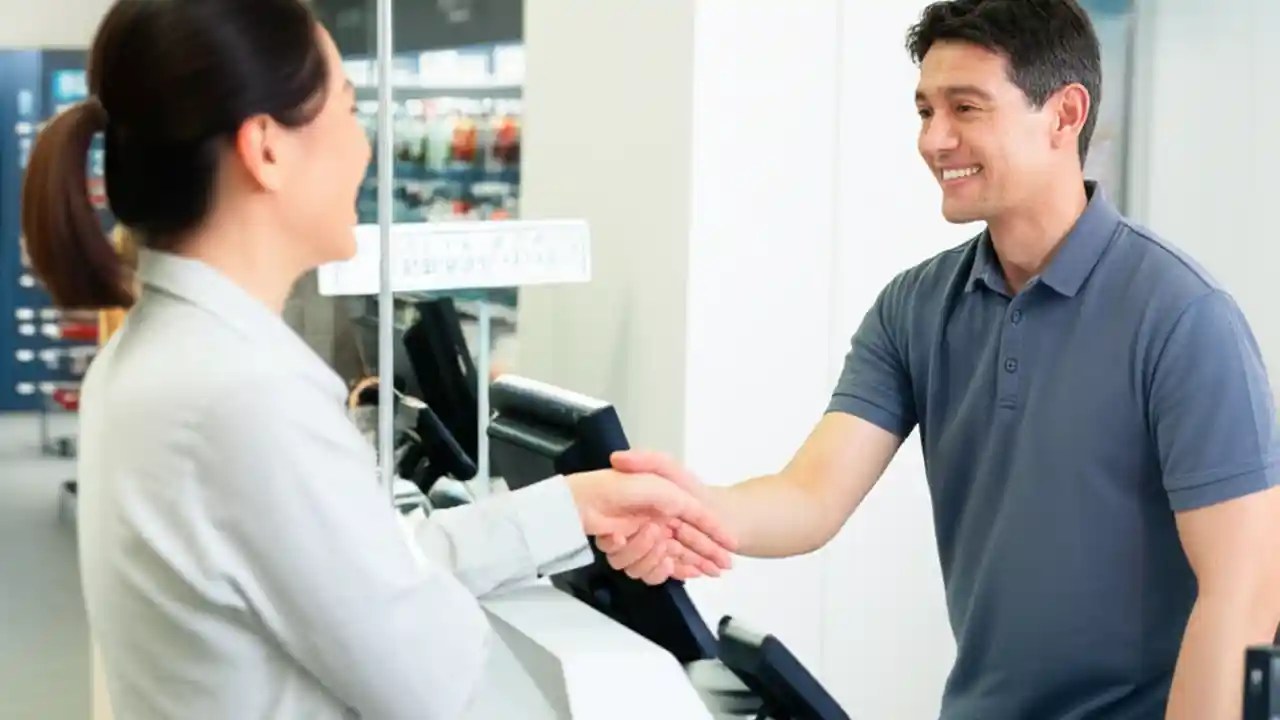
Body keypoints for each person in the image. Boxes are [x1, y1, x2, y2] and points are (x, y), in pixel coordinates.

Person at [19, 2, 735, 718]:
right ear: (266, 148)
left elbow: (371, 573)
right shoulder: (245, 396)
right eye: (349, 106)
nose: (365, 147)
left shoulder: (167, 357)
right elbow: (434, 673)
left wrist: (569, 509)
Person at [602, 1, 1280, 718]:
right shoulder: (916, 307)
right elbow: (809, 498)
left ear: (1064, 114)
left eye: (966, 107)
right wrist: (688, 510)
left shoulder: (1181, 317)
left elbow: (1246, 589)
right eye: (925, 109)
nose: (935, 139)